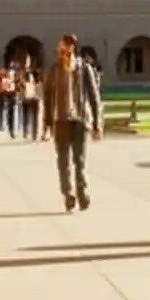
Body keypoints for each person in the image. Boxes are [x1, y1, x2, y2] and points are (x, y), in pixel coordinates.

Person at [42, 34, 104, 212]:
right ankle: (68, 194)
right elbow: (47, 98)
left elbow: (94, 98)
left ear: (72, 48)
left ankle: (82, 193)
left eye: (64, 49)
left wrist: (97, 125)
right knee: (63, 162)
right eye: (59, 50)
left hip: (80, 121)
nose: (61, 53)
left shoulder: (84, 69)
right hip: (60, 121)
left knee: (80, 161)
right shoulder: (54, 70)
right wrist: (46, 125)